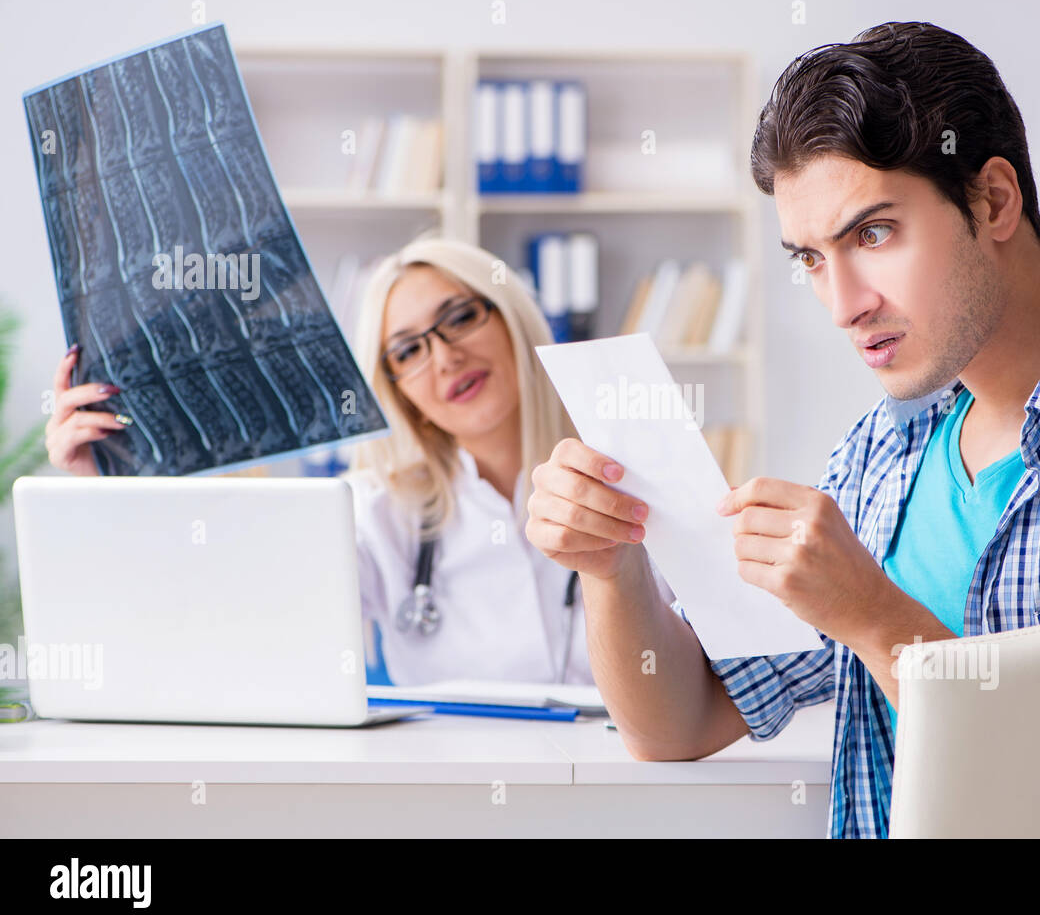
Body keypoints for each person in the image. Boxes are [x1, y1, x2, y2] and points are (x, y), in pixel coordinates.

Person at [523, 21, 1040, 837]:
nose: (842, 302)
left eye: (873, 234)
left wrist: (874, 616)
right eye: (812, 258)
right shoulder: (884, 447)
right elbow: (679, 723)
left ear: (993, 200)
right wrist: (611, 567)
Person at [45, 237, 672, 686]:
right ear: (399, 391)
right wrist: (108, 487)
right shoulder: (376, 512)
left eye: (458, 318)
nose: (445, 357)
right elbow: (233, 623)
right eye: (408, 350)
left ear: (510, 317)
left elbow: (703, 663)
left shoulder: (636, 471)